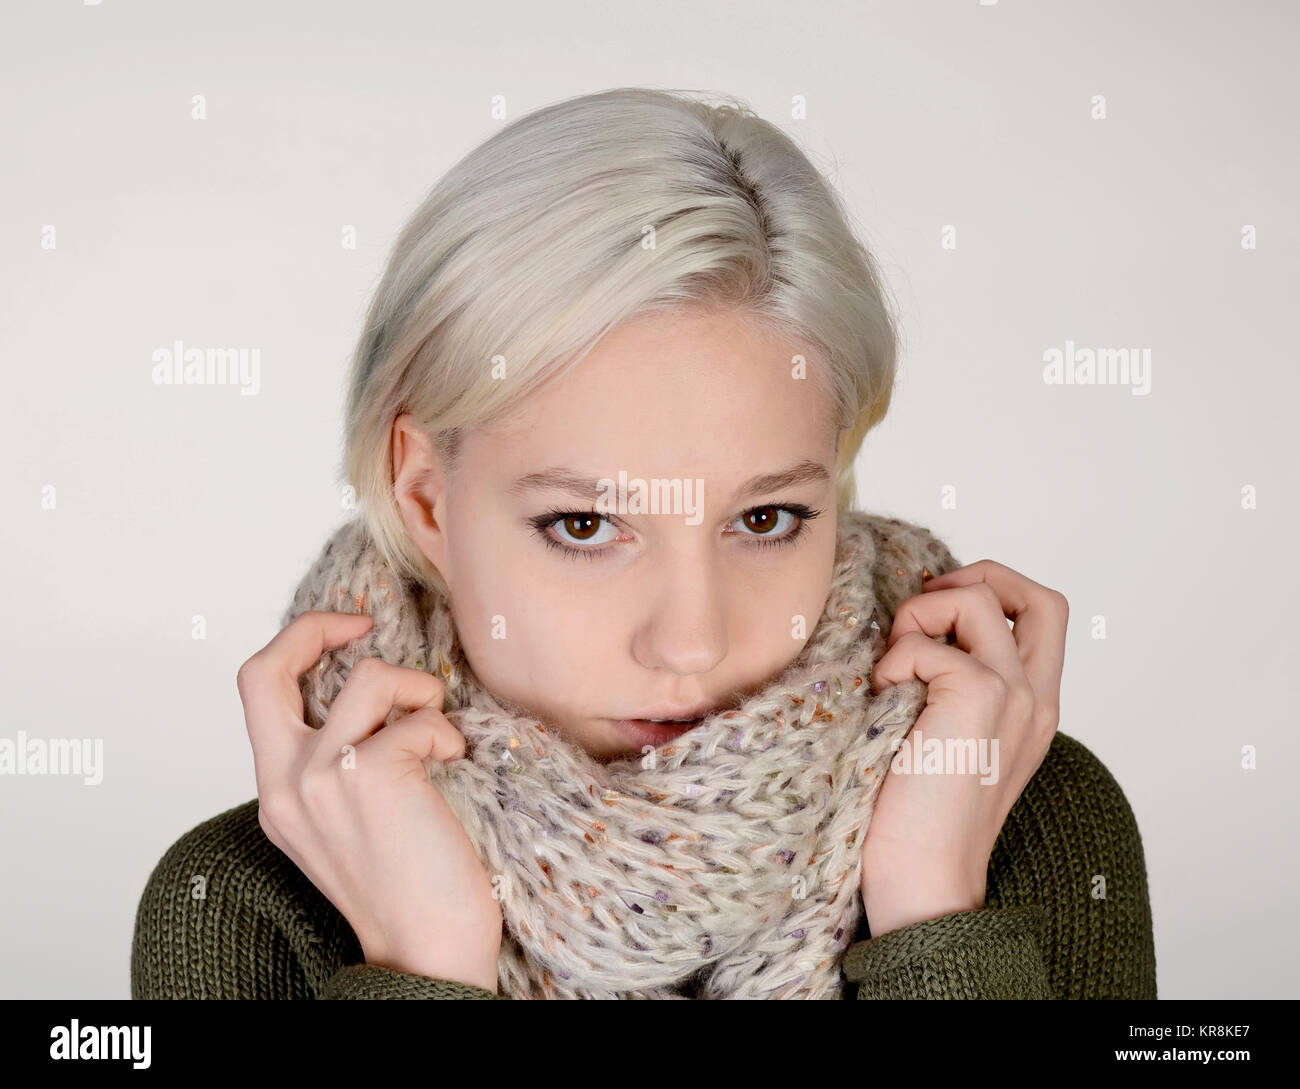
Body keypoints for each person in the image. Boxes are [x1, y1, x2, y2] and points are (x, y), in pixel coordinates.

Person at [130, 87, 1156, 1000]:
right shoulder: (243, 905)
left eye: (764, 520)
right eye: (584, 526)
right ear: (427, 498)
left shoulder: (1018, 818)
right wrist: (422, 962)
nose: (690, 643)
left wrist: (935, 915)